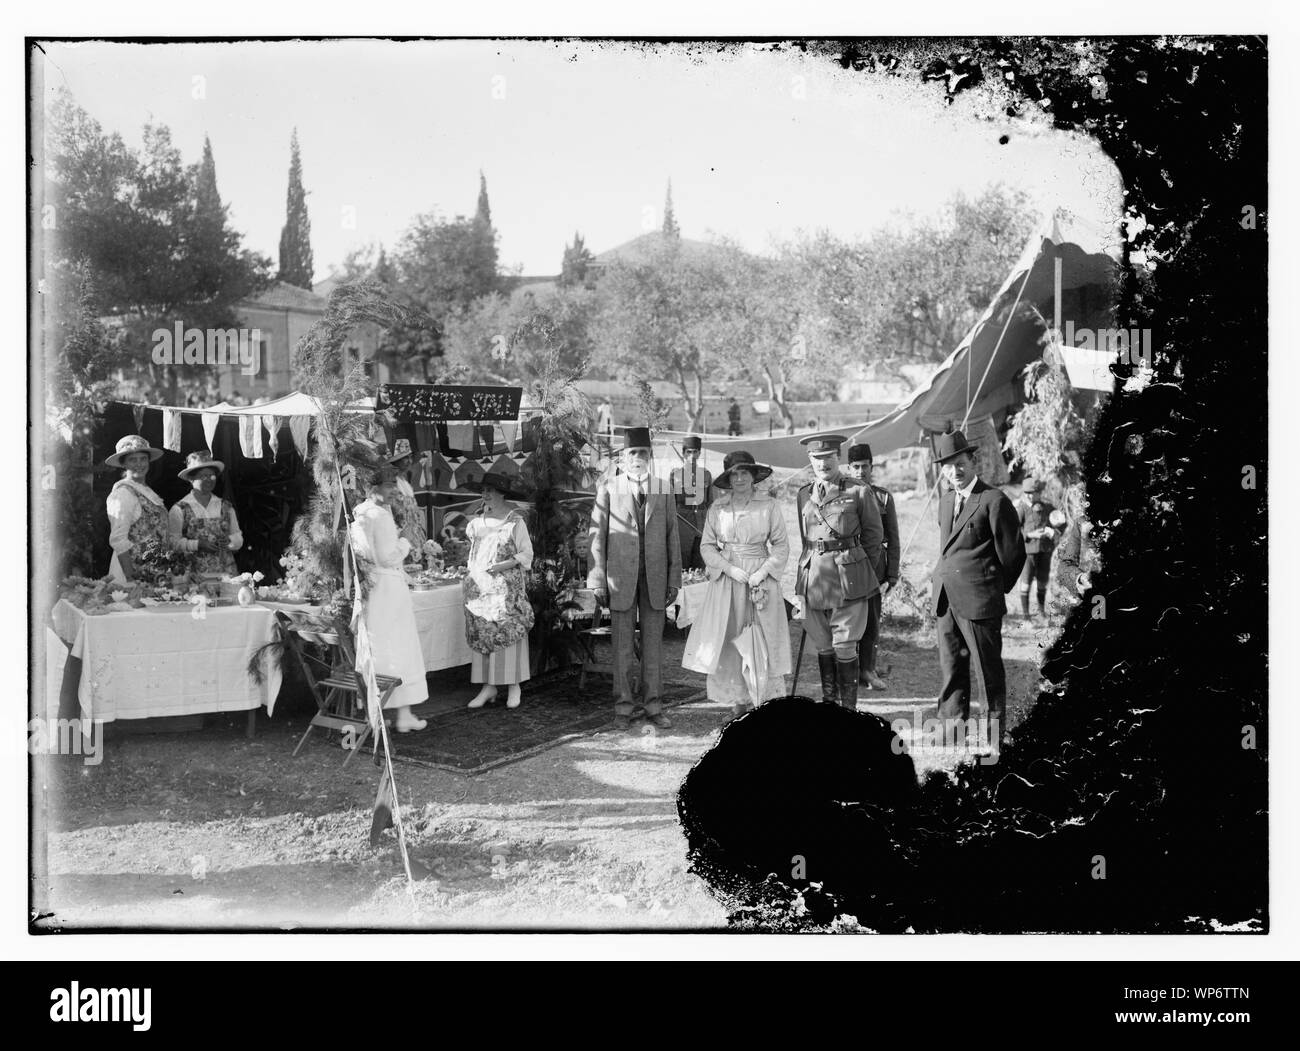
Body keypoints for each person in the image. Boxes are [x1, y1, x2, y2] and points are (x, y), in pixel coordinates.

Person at [931, 431, 1026, 749]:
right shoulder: (946, 501)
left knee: (987, 672)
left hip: (980, 602)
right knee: (952, 668)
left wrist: (991, 590)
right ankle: (952, 729)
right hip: (946, 600)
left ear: (972, 462)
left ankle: (992, 739)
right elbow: (948, 549)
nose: (954, 471)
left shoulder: (993, 500)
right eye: (948, 466)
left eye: (960, 464)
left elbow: (1013, 555)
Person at [682, 451, 791, 723]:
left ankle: (762, 701)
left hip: (760, 580)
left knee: (762, 637)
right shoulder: (718, 508)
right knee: (730, 638)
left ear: (754, 476)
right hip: (728, 580)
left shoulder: (768, 506)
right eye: (735, 474)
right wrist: (729, 569)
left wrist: (762, 572)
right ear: (728, 478)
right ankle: (738, 704)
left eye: (745, 473)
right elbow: (707, 545)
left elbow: (781, 545)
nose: (740, 478)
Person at [587, 426, 682, 728]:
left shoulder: (663, 488)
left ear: (650, 456)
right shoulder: (609, 487)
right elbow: (596, 537)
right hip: (620, 579)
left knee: (654, 647)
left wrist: (674, 579)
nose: (637, 458)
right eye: (632, 453)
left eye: (642, 453)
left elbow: (673, 537)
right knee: (622, 648)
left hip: (655, 579)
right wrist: (598, 579)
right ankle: (623, 708)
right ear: (623, 457)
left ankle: (654, 707)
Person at [794, 433, 885, 709]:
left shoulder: (858, 491)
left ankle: (848, 711)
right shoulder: (803, 495)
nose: (823, 464)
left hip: (849, 580)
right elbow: (805, 540)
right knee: (823, 645)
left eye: (828, 458)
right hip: (815, 580)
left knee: (845, 645)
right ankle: (830, 705)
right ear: (810, 460)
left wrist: (858, 569)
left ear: (838, 458)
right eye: (817, 459)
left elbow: (873, 537)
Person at [349, 466, 430, 733]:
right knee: (398, 646)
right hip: (387, 587)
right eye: (388, 485)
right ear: (373, 488)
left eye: (394, 485)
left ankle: (385, 712)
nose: (393, 490)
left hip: (374, 587)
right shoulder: (378, 515)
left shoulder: (361, 513)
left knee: (383, 647)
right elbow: (386, 556)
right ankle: (401, 714)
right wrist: (406, 541)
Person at [462, 471, 535, 710]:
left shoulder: (515, 521)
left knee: (507, 632)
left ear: (502, 494)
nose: (486, 495)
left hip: (506, 588)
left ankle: (514, 685)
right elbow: (474, 555)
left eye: (491, 491)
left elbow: (526, 553)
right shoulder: (476, 523)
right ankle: (489, 686)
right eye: (484, 491)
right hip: (481, 589)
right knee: (484, 633)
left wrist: (505, 564)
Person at [843, 443, 899, 689]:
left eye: (865, 466)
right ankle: (847, 669)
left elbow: (893, 537)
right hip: (846, 567)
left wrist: (893, 574)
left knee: (872, 621)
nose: (860, 471)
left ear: (871, 467)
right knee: (847, 621)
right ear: (848, 468)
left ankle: (867, 670)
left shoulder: (883, 496)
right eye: (855, 467)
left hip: (875, 566)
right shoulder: (841, 495)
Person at [104, 434, 175, 585]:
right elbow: (118, 539)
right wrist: (130, 579)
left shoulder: (147, 491)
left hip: (154, 571)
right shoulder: (123, 493)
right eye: (132, 460)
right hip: (132, 573)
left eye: (143, 459)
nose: (139, 464)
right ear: (123, 464)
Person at [168, 450, 243, 577]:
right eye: (203, 476)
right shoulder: (179, 509)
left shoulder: (226, 506)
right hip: (193, 575)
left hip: (225, 574)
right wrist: (198, 544)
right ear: (191, 479)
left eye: (212, 476)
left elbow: (238, 539)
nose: (209, 480)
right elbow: (172, 542)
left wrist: (229, 541)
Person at [1015, 477, 1059, 621]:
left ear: (1039, 493)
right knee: (1026, 583)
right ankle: (1026, 616)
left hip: (1044, 552)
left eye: (1032, 493)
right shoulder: (1022, 508)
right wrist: (1029, 534)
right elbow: (1014, 531)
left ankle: (1041, 611)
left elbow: (1059, 524)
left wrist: (1052, 532)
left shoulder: (1048, 508)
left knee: (1042, 582)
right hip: (1028, 553)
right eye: (1026, 493)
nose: (1029, 496)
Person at [670, 435, 713, 571]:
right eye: (688, 452)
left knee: (700, 561)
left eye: (695, 451)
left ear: (699, 453)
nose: (692, 455)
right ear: (683, 453)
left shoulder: (706, 474)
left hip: (701, 521)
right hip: (682, 521)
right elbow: (670, 503)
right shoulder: (675, 475)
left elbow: (710, 502)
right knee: (682, 561)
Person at [385, 439, 427, 560]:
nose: (409, 461)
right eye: (405, 458)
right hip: (399, 533)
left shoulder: (404, 481)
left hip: (413, 534)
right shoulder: (391, 482)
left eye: (410, 457)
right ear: (396, 461)